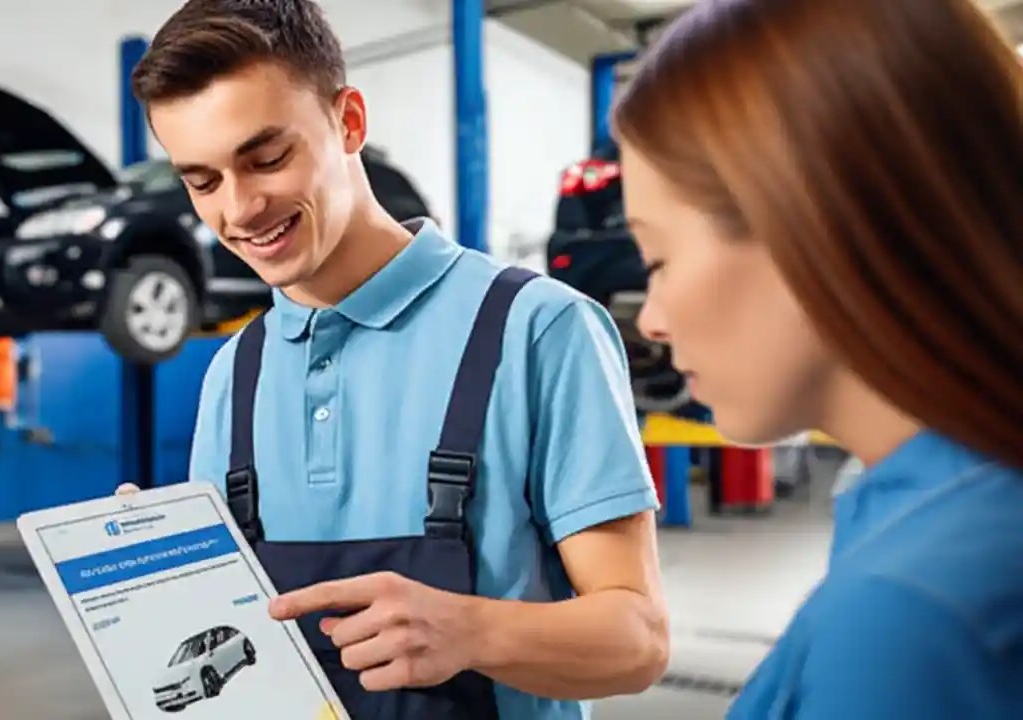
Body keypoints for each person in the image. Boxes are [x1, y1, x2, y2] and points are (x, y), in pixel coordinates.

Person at [115, 1, 670, 718]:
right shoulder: (235, 372)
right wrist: (159, 577)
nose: (241, 209)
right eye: (203, 181)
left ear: (349, 121)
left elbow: (639, 640)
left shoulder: (538, 330)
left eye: (268, 158)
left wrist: (470, 631)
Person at [610, 0, 1022, 717]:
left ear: (806, 225)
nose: (652, 318)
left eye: (659, 259)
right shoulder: (949, 510)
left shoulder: (906, 623)